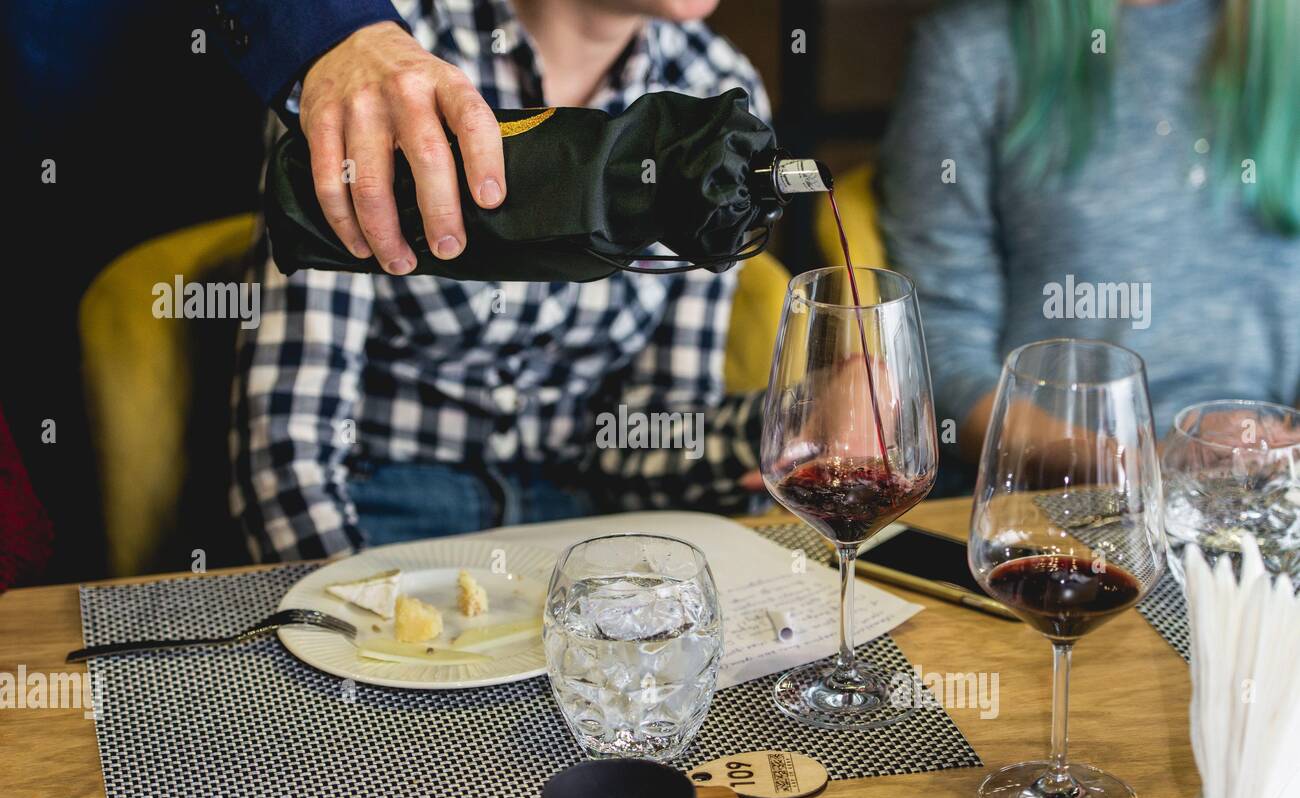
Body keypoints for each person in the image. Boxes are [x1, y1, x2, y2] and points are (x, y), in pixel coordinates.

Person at [226, 0, 770, 560]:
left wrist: (783, 427)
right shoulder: (372, 51)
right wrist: (341, 608)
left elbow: (647, 437)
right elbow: (290, 453)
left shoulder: (718, 89)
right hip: (383, 512)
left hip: (586, 530)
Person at [877, 0, 1300, 490]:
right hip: (1072, 500)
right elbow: (934, 354)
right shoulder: (971, 54)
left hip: (1277, 501)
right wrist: (1138, 463)